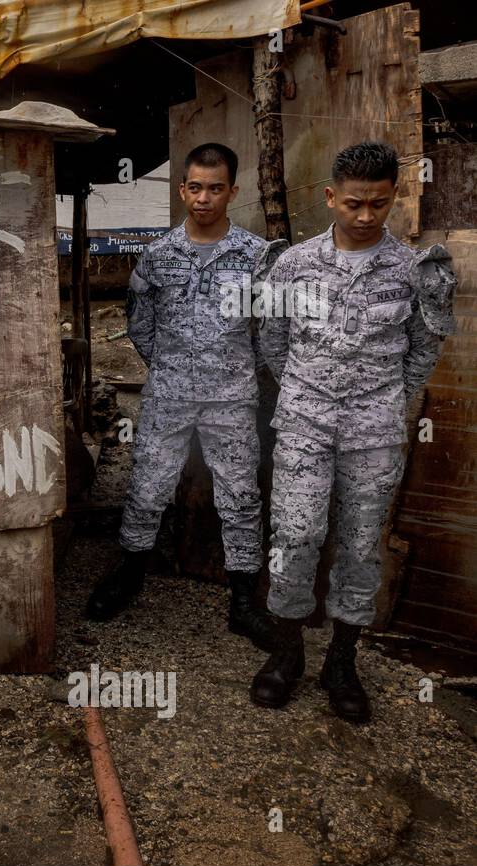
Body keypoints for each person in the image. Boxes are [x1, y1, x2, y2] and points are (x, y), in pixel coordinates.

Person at [252, 141, 455, 723]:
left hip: (374, 430)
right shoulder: (293, 265)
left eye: (380, 204)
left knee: (361, 545)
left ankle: (342, 661)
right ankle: (287, 654)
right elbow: (273, 340)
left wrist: (383, 399)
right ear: (330, 198)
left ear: (394, 198)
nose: (366, 216)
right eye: (355, 203)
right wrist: (307, 388)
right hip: (305, 422)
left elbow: (422, 352)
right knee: (294, 535)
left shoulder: (413, 269)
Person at [86, 143, 273, 648]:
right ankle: (129, 576)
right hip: (168, 396)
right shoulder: (158, 254)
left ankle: (242, 600)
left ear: (233, 191)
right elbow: (138, 323)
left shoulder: (256, 257)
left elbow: (270, 334)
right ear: (182, 190)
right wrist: (171, 366)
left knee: (240, 498)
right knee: (147, 488)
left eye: (216, 188)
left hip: (232, 399)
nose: (205, 198)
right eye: (195, 188)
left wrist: (233, 369)